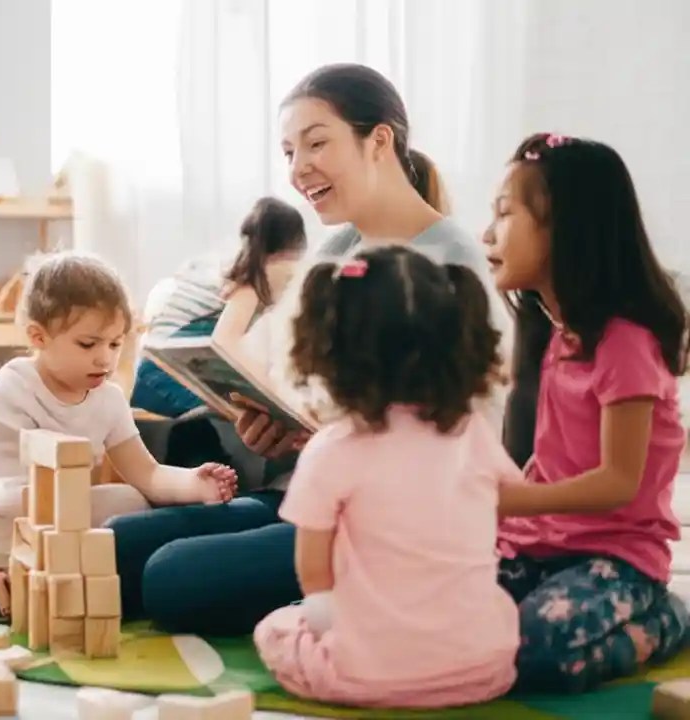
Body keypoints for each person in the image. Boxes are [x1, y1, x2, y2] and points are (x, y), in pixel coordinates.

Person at [106, 62, 511, 637]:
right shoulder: (333, 252)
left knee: (170, 578)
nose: (299, 169)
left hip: (391, 525)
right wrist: (268, 421)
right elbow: (288, 378)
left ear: (379, 141)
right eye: (289, 152)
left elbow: (466, 439)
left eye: (317, 143)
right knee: (116, 545)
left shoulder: (453, 262)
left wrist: (334, 439)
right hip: (306, 493)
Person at [255, 245, 517, 708]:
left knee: (276, 628)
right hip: (485, 670)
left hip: (364, 678)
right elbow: (510, 501)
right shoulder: (471, 432)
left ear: (331, 346)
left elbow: (313, 575)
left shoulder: (332, 450)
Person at [487, 132, 690, 693]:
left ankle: (665, 616)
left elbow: (618, 483)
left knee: (537, 650)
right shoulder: (554, 333)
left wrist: (513, 498)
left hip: (615, 556)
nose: (487, 235)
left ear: (566, 228)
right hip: (535, 544)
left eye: (504, 214)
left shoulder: (625, 341)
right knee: (441, 613)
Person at [0, 251, 238, 616]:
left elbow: (146, 473)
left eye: (115, 344)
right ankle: (4, 587)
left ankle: (71, 582)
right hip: (2, 525)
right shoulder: (15, 383)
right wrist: (30, 502)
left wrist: (194, 484)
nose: (105, 358)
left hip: (66, 523)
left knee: (129, 500)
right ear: (39, 337)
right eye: (88, 344)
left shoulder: (109, 399)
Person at [130, 196, 307, 419]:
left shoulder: (232, 267)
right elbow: (225, 343)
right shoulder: (252, 277)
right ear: (291, 249)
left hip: (155, 371)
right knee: (245, 419)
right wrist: (277, 399)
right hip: (166, 374)